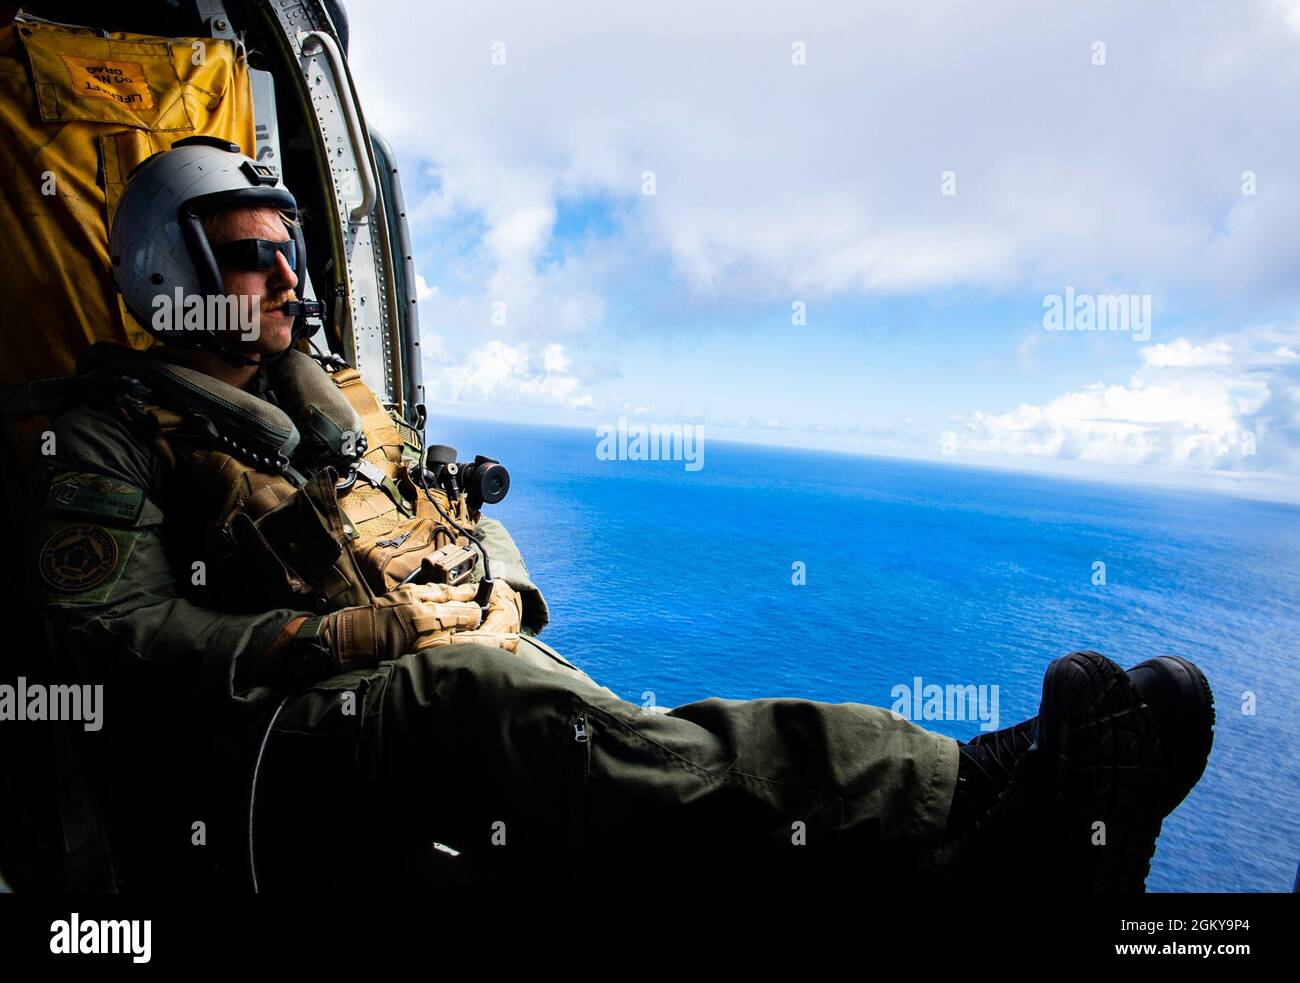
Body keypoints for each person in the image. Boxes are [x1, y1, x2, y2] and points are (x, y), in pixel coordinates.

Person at [26, 140, 1215, 894]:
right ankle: (961, 794)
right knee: (502, 706)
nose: (289, 277)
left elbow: (449, 503)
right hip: (276, 738)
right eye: (249, 257)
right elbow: (109, 639)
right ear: (162, 272)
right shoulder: (107, 434)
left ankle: (978, 817)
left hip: (422, 660)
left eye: (291, 252)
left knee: (602, 735)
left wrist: (496, 587)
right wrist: (350, 639)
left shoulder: (330, 398)